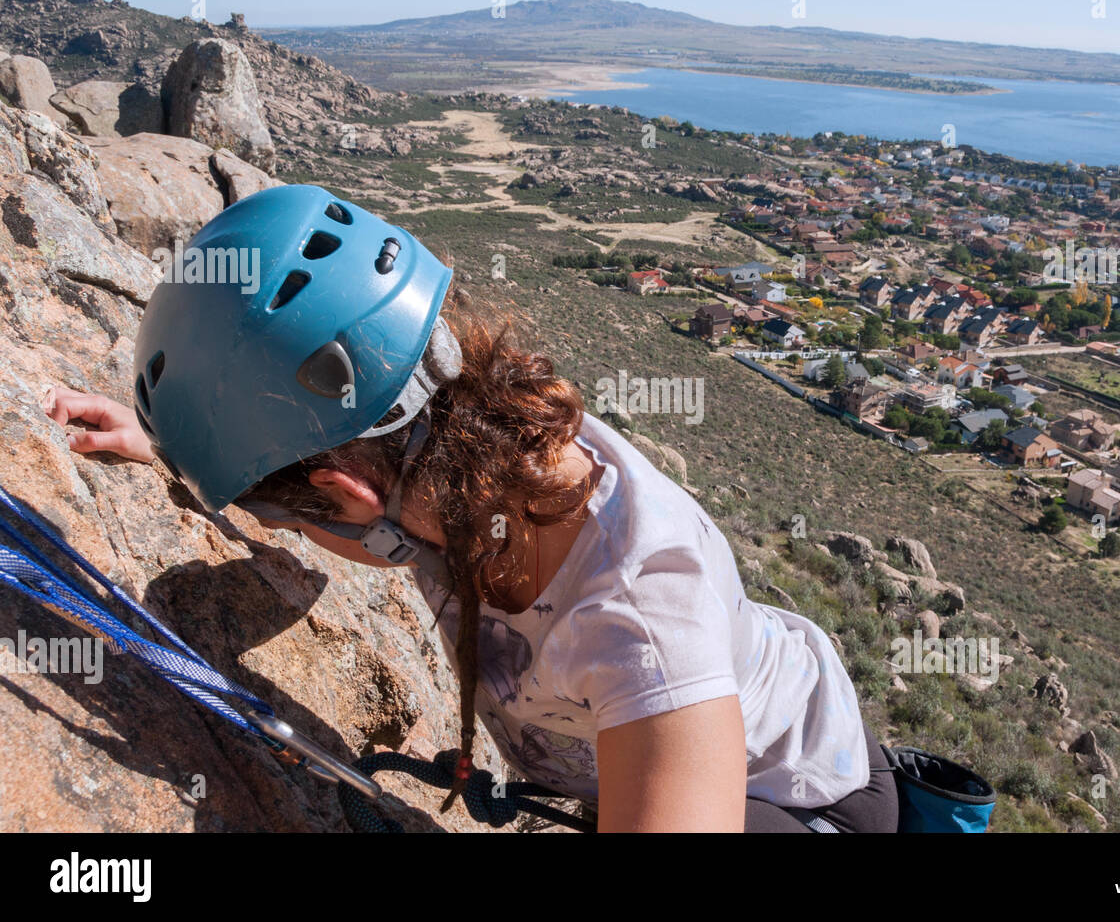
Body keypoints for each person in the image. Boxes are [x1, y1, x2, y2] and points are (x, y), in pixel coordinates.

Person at [43, 184, 897, 833]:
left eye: (290, 515)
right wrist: (190, 452)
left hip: (792, 800)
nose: (290, 528)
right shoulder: (453, 447)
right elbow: (381, 538)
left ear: (347, 492)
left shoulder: (641, 621)